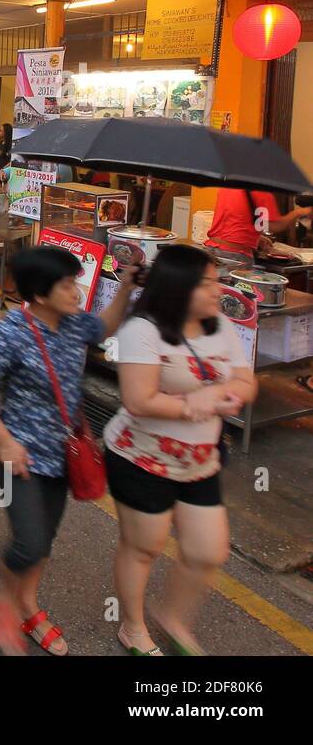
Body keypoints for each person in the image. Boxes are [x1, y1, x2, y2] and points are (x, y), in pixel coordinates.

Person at [0, 247, 137, 655]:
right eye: (66, 285)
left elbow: (105, 328)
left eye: (75, 282)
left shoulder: (75, 324)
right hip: (20, 455)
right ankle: (1, 604)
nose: (76, 292)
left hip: (63, 453)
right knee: (29, 542)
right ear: (40, 294)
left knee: (47, 538)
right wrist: (5, 441)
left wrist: (126, 288)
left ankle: (28, 605)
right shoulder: (12, 332)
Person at [105, 245, 256, 655]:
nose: (217, 290)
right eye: (207, 283)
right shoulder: (141, 331)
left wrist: (233, 392)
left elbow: (245, 380)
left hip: (200, 462)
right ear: (179, 287)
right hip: (142, 458)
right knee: (144, 547)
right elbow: (139, 400)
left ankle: (172, 617)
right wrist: (199, 404)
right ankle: (133, 628)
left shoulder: (220, 325)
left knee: (208, 551)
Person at [204, 188, 311, 265]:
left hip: (212, 250)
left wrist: (256, 238)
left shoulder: (229, 185)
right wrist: (299, 212)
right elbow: (274, 226)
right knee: (242, 295)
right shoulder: (261, 191)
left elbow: (236, 218)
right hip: (235, 256)